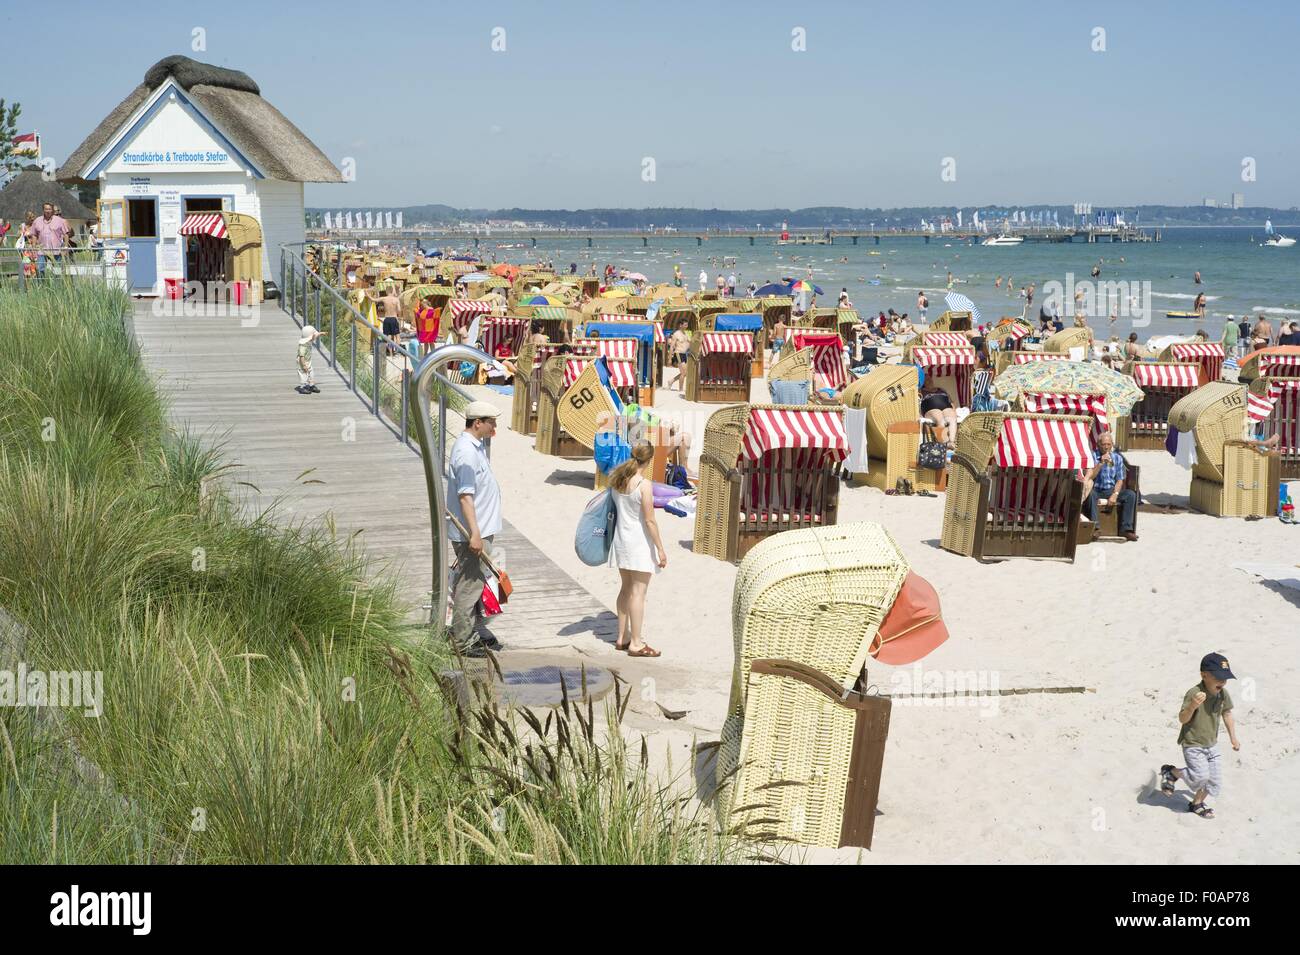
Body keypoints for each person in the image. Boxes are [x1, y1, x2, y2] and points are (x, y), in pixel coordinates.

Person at [447, 401, 505, 657]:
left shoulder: (475, 447)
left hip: (480, 527)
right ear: (477, 422)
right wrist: (475, 534)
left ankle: (475, 632)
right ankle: (461, 641)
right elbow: (465, 496)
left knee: (477, 582)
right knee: (469, 585)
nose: (495, 425)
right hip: (472, 531)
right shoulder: (466, 453)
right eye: (491, 421)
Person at [1158, 653, 1240, 820]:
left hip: (1212, 744)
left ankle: (1196, 804)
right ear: (1204, 675)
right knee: (1199, 777)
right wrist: (1193, 706)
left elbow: (1227, 713)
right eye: (1218, 677)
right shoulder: (1194, 693)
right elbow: (1182, 719)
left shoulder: (1223, 694)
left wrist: (1233, 737)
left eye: (1225, 678)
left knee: (1214, 782)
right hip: (1193, 742)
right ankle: (1172, 772)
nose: (1223, 682)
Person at [608, 441, 667, 658]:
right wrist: (660, 549)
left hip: (620, 540)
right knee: (638, 593)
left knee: (625, 589)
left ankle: (621, 637)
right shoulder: (643, 484)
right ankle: (636, 642)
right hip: (638, 543)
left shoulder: (618, 479)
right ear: (649, 459)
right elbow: (650, 521)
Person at [1081, 432, 1138, 541]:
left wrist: (1115, 494)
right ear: (1098, 445)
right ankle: (1096, 528)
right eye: (1104, 444)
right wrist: (1100, 463)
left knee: (1130, 495)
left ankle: (1126, 529)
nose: (1106, 447)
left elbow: (1119, 480)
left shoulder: (1117, 458)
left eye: (1108, 444)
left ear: (1112, 445)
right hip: (1096, 489)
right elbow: (1090, 477)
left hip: (1110, 489)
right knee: (1091, 495)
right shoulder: (1093, 456)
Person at [29, 202, 69, 277]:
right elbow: (34, 234)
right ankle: (41, 286)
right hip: (42, 250)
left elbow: (66, 234)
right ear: (43, 210)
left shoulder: (60, 221)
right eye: (46, 209)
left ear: (52, 210)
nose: (48, 211)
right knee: (40, 269)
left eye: (49, 209)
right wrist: (34, 247)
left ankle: (57, 287)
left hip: (56, 250)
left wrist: (65, 247)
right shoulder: (37, 220)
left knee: (57, 271)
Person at [296, 325, 324, 394]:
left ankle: (311, 385)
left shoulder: (308, 341)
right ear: (310, 337)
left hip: (308, 361)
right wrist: (304, 365)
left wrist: (320, 333)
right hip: (302, 362)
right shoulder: (302, 346)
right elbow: (301, 356)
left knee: (311, 373)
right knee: (304, 374)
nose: (314, 338)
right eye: (313, 336)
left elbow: (315, 335)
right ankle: (302, 387)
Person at [668, 320, 691, 390]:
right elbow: (671, 346)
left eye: (687, 325)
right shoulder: (676, 334)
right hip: (678, 353)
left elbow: (688, 344)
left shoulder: (685, 334)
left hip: (684, 354)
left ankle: (671, 381)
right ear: (680, 325)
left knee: (686, 373)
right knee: (683, 373)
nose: (686, 326)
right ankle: (680, 389)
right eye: (685, 325)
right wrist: (669, 358)